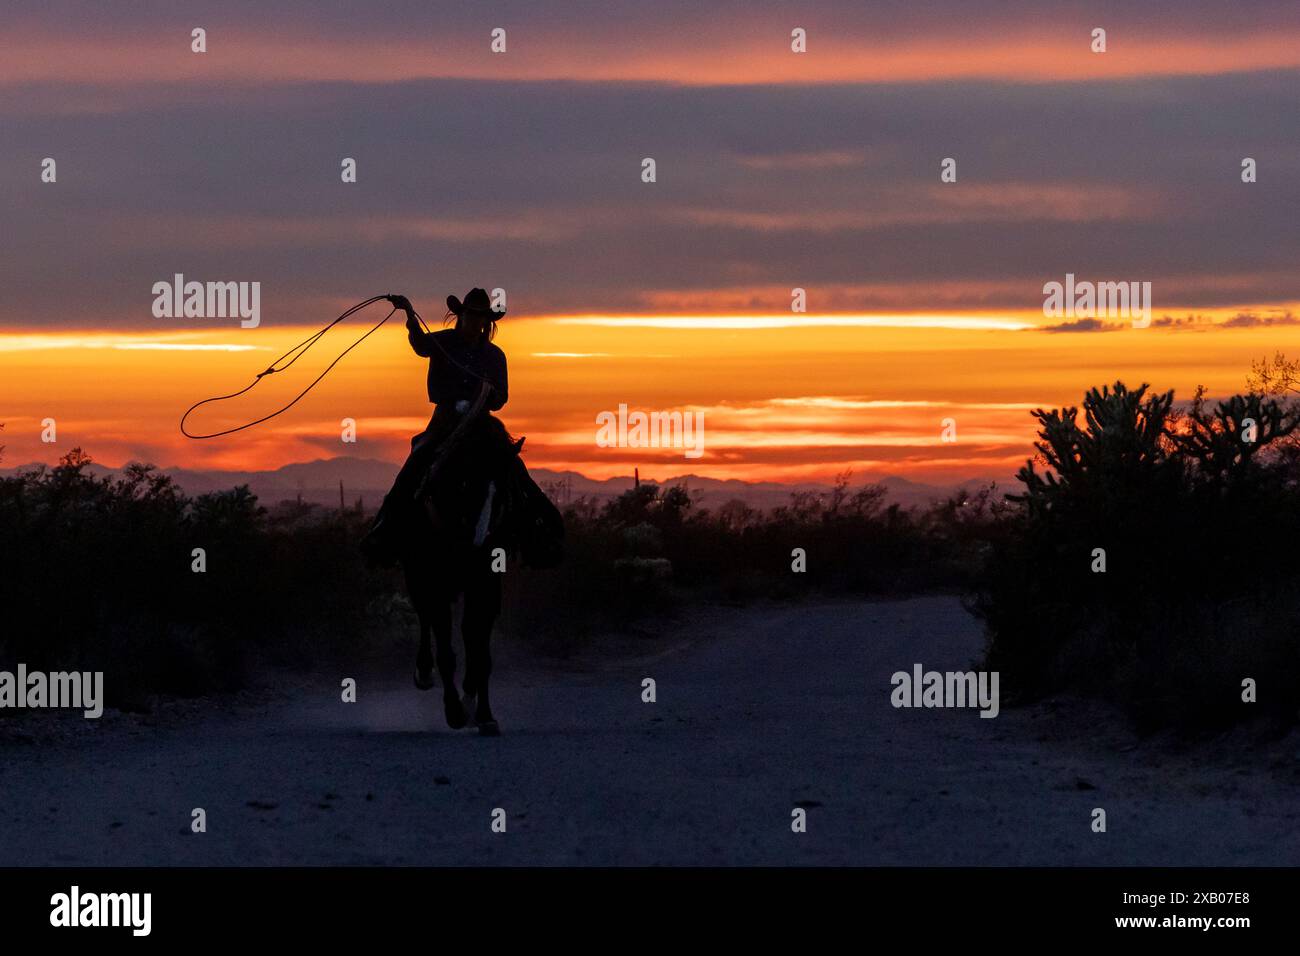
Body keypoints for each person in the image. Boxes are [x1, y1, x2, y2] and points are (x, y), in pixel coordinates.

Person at [359, 288, 512, 566]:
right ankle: (383, 530)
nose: (475, 321)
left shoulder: (495, 355)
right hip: (445, 420)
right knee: (415, 463)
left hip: (480, 419)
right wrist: (409, 312)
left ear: (487, 322)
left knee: (511, 467)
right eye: (471, 315)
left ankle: (531, 530)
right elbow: (419, 345)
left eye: (481, 317)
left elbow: (502, 397)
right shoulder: (443, 342)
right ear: (461, 315)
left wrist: (490, 394)